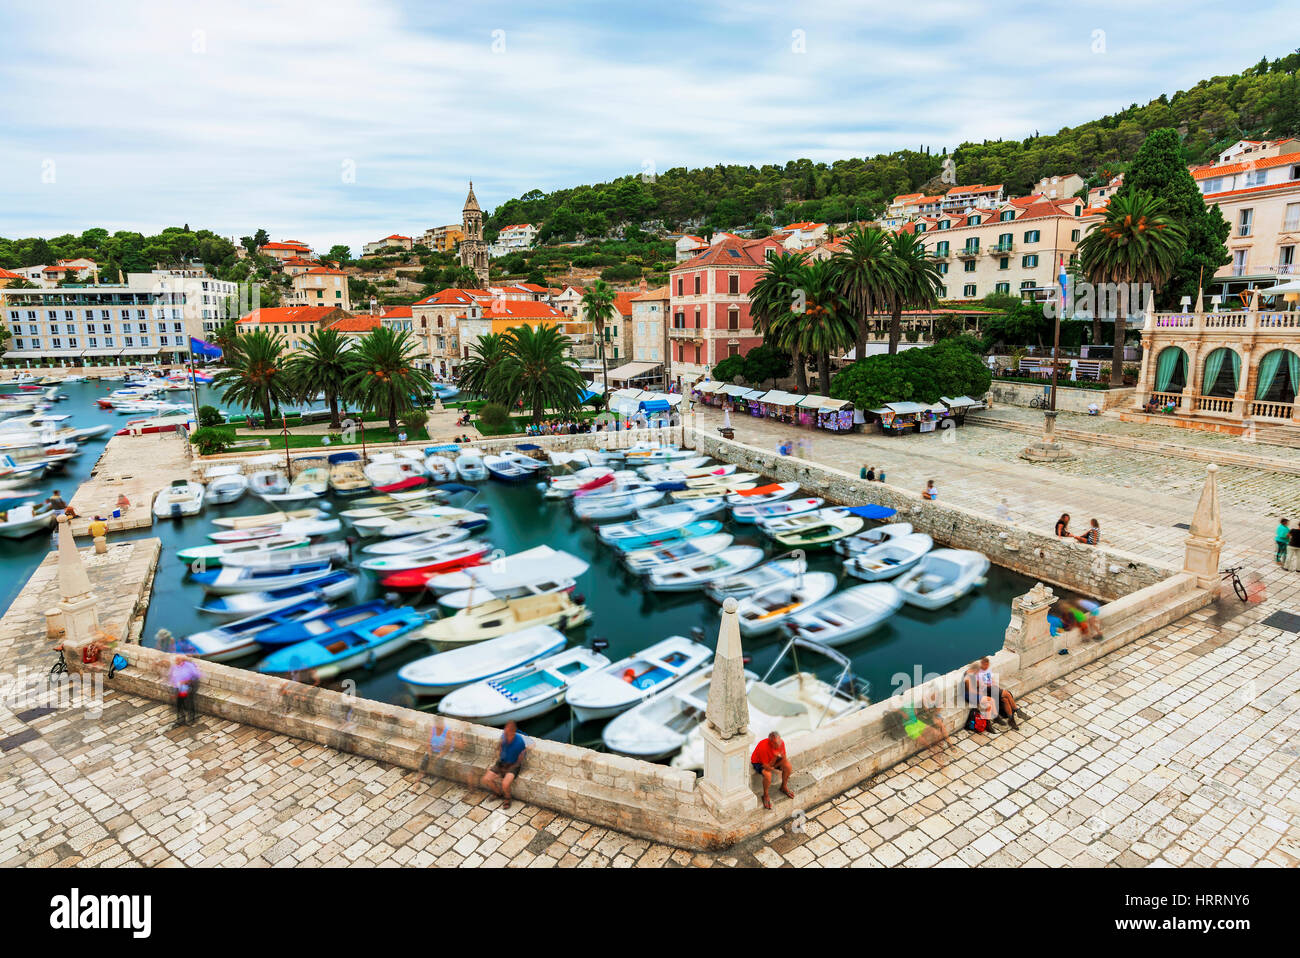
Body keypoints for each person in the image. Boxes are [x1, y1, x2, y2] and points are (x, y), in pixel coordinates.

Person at [481, 720, 526, 809]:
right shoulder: (504, 737)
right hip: (501, 763)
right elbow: (500, 748)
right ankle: (498, 793)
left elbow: (520, 759)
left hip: (513, 765)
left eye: (507, 730)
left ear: (513, 731)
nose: (505, 732)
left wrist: (508, 768)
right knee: (486, 779)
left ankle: (507, 798)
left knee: (505, 783)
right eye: (505, 730)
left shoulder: (519, 741)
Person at [751, 731, 794, 810]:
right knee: (768, 775)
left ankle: (783, 787)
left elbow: (784, 759)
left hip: (774, 759)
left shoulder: (781, 743)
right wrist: (775, 760)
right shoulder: (763, 747)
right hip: (759, 762)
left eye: (779, 741)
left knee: (788, 766)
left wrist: (777, 764)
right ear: (771, 742)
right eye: (776, 743)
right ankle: (765, 795)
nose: (779, 745)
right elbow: (767, 767)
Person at [168, 654, 201, 727]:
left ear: (181, 660)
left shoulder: (189, 666)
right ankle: (181, 719)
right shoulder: (174, 667)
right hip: (179, 687)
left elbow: (197, 675)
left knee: (187, 702)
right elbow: (172, 678)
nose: (175, 661)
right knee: (178, 703)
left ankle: (191, 719)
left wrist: (187, 681)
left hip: (188, 686)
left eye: (177, 660)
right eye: (175, 660)